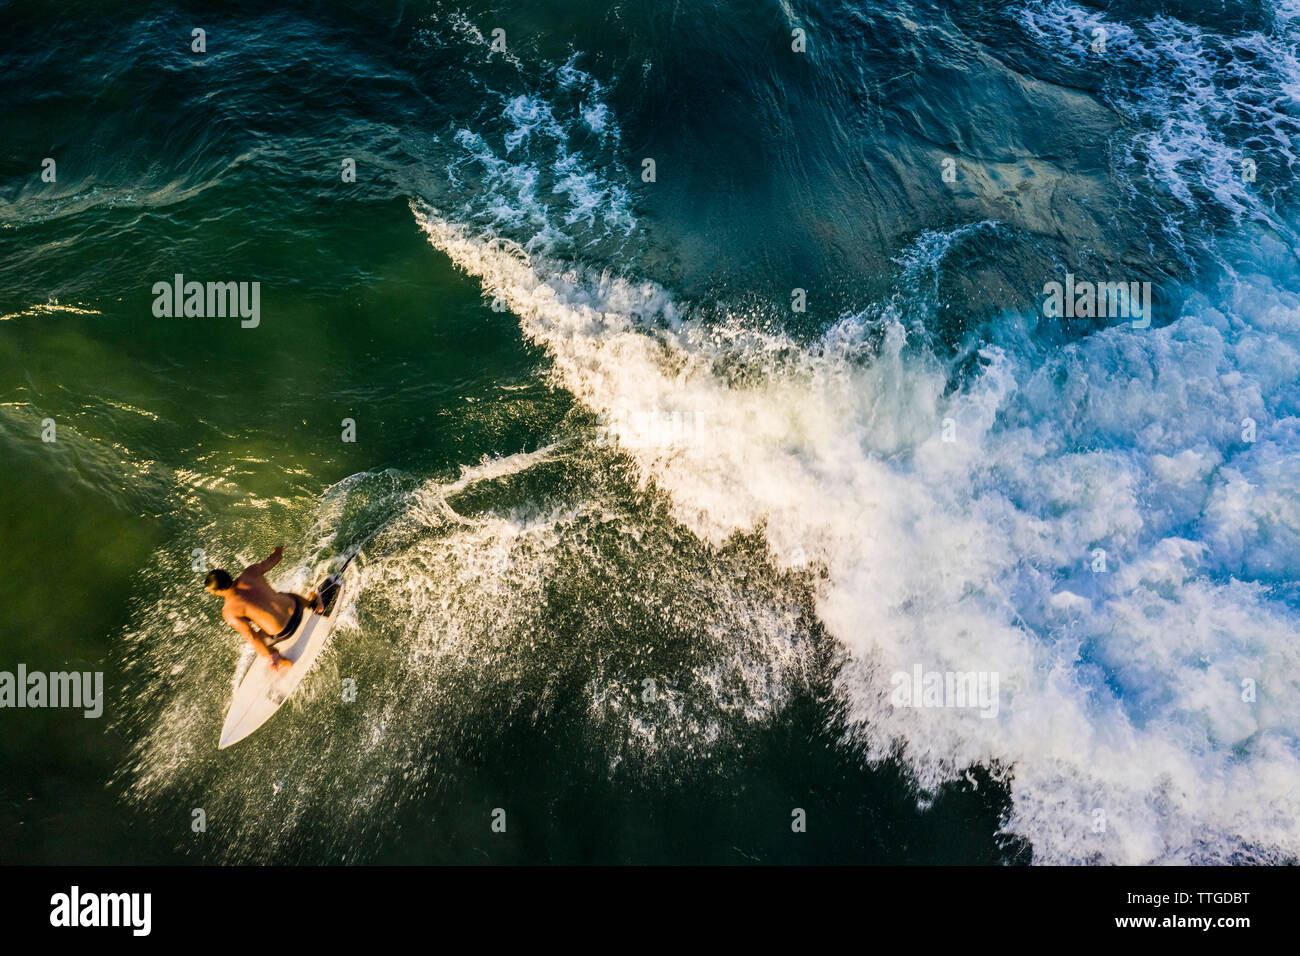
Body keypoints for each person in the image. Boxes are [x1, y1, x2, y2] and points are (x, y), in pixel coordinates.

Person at [204, 546, 319, 672]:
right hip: (297, 609)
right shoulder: (250, 572)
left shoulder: (229, 611)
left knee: (259, 639)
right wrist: (278, 551)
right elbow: (274, 559)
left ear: (218, 591)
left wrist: (268, 655)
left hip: (285, 631)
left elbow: (251, 636)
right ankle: (313, 604)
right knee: (282, 595)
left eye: (212, 592)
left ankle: (276, 657)